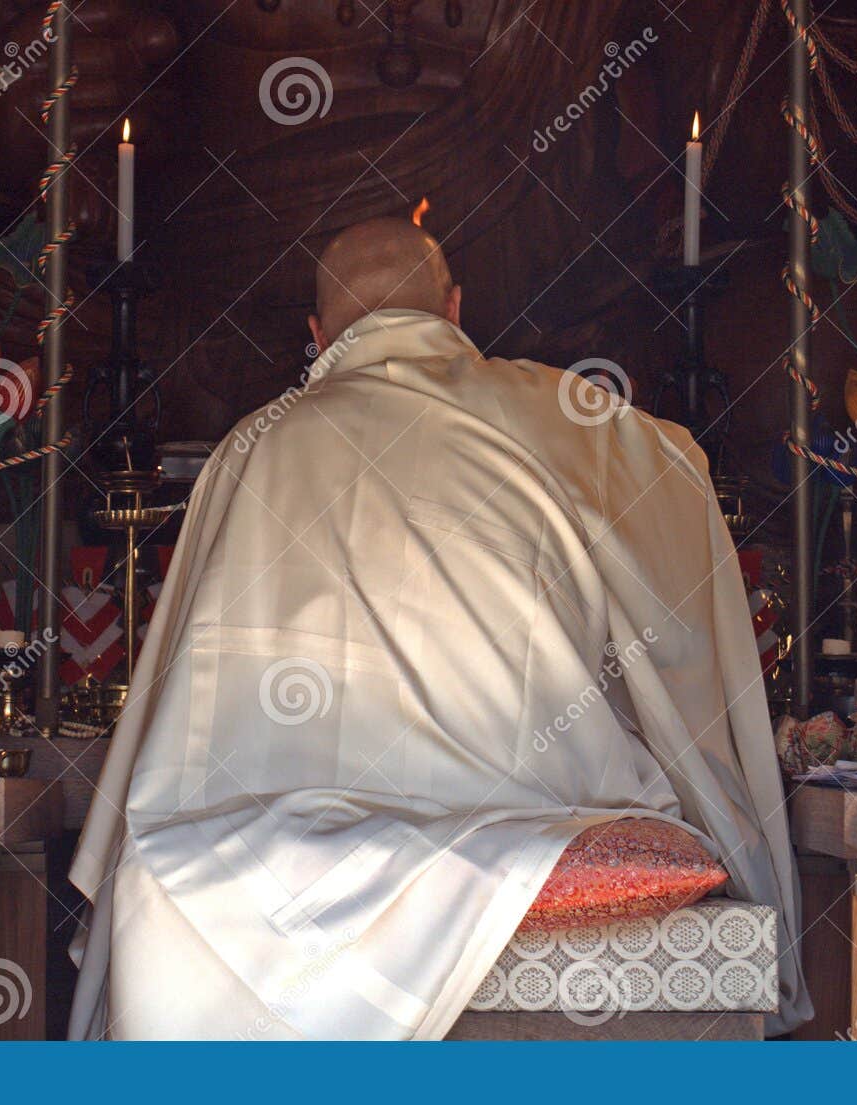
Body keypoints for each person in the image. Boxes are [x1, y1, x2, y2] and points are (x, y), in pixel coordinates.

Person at [68, 217, 810, 1038]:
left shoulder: (251, 447)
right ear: (454, 309)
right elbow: (681, 480)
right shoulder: (575, 419)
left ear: (316, 336)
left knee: (168, 872)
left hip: (280, 829)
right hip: (554, 805)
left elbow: (169, 733)